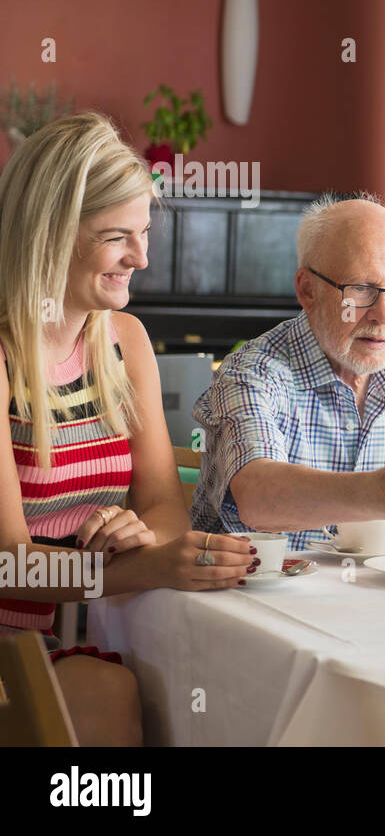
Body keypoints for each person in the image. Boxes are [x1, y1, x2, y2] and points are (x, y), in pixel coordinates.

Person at [0, 113, 255, 745]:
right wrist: (149, 568)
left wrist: (137, 534)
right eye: (118, 237)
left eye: (143, 232)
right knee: (113, 698)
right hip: (14, 648)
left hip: (94, 631)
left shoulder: (126, 341)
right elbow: (9, 569)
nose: (141, 258)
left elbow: (166, 507)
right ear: (50, 236)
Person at [191, 195, 385, 549]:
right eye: (361, 289)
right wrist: (381, 494)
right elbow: (257, 499)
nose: (384, 316)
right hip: (256, 599)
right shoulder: (252, 374)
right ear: (307, 290)